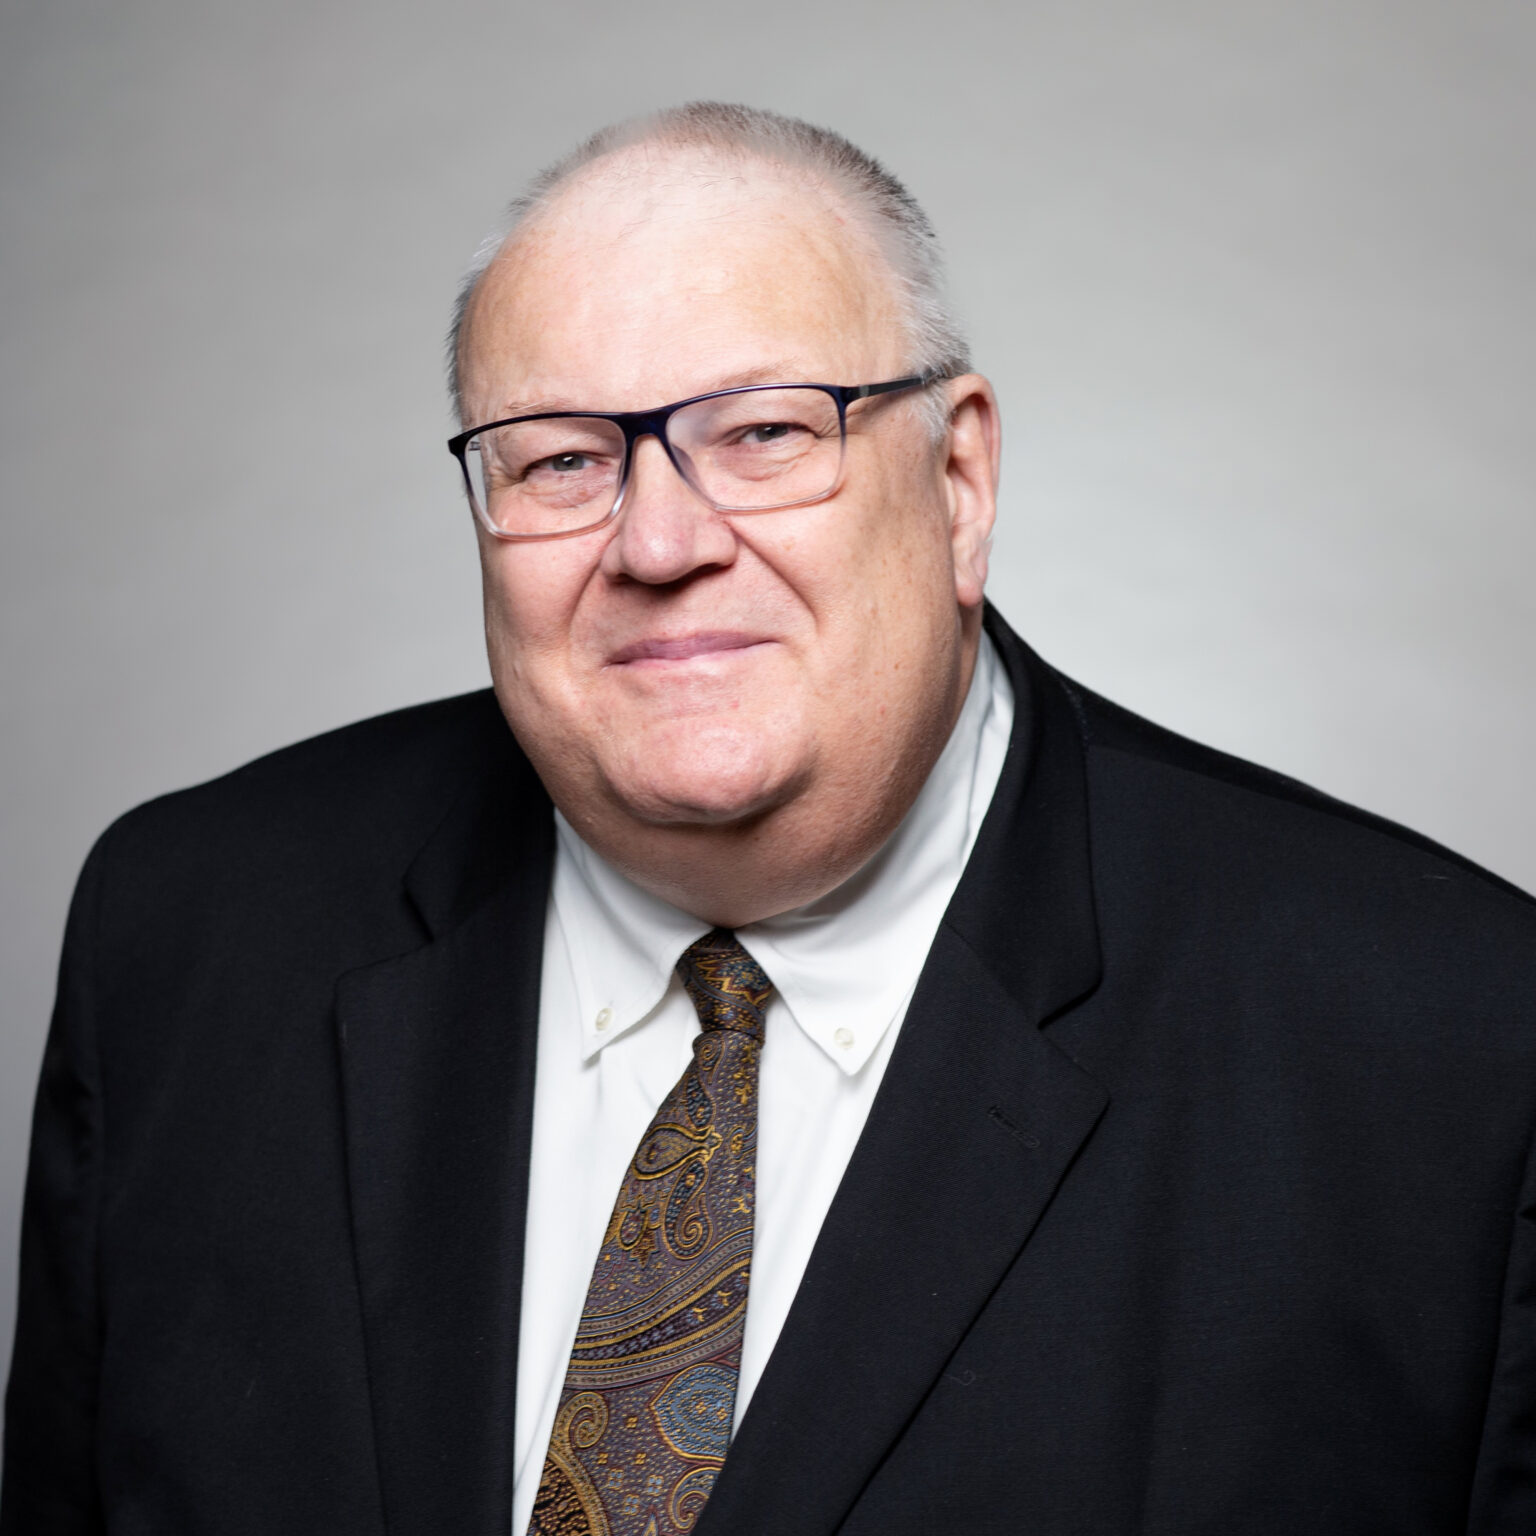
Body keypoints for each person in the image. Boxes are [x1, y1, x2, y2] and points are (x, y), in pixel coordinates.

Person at [3, 102, 1534, 1536]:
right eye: (562, 459)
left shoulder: (1446, 1051)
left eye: (765, 434)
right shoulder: (187, 943)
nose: (660, 542)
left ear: (960, 478)